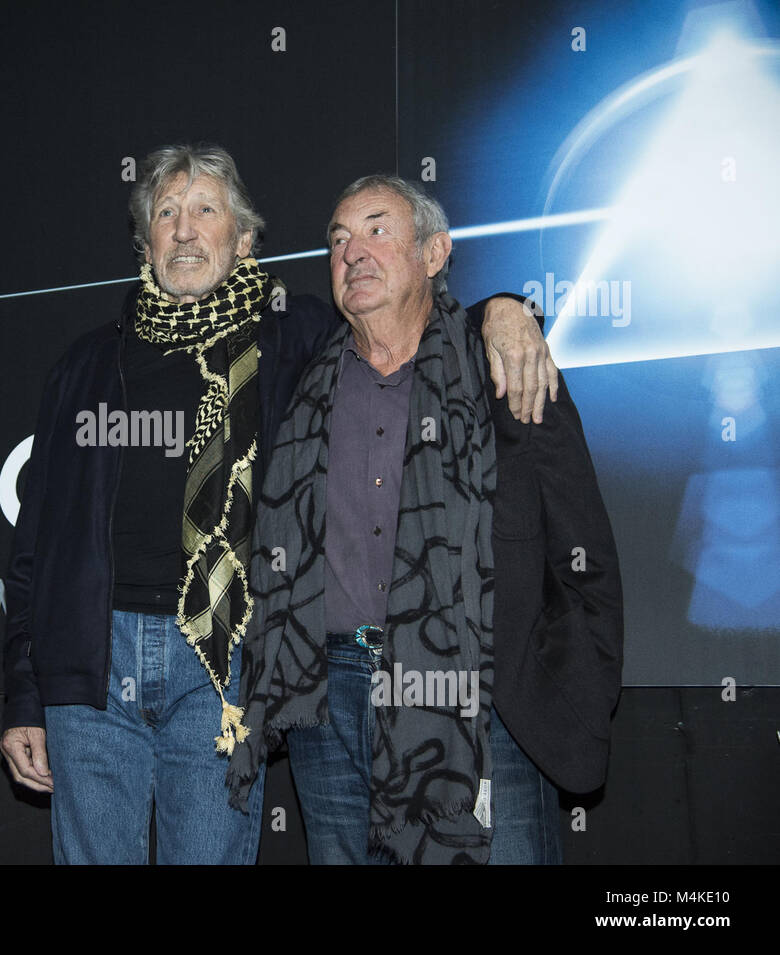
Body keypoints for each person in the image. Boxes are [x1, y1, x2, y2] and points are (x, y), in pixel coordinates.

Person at [1, 146, 555, 864]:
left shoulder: (300, 338)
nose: (186, 229)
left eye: (206, 210)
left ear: (246, 239)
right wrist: (22, 695)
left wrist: (505, 310)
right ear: (145, 243)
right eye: (167, 213)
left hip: (226, 663)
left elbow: (406, 317)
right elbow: (32, 548)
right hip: (89, 662)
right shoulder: (81, 367)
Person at [228, 175, 622, 865]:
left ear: (435, 253)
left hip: (481, 697)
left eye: (378, 229)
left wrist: (564, 689)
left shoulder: (505, 370)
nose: (353, 252)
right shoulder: (299, 382)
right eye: (339, 239)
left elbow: (584, 551)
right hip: (329, 699)